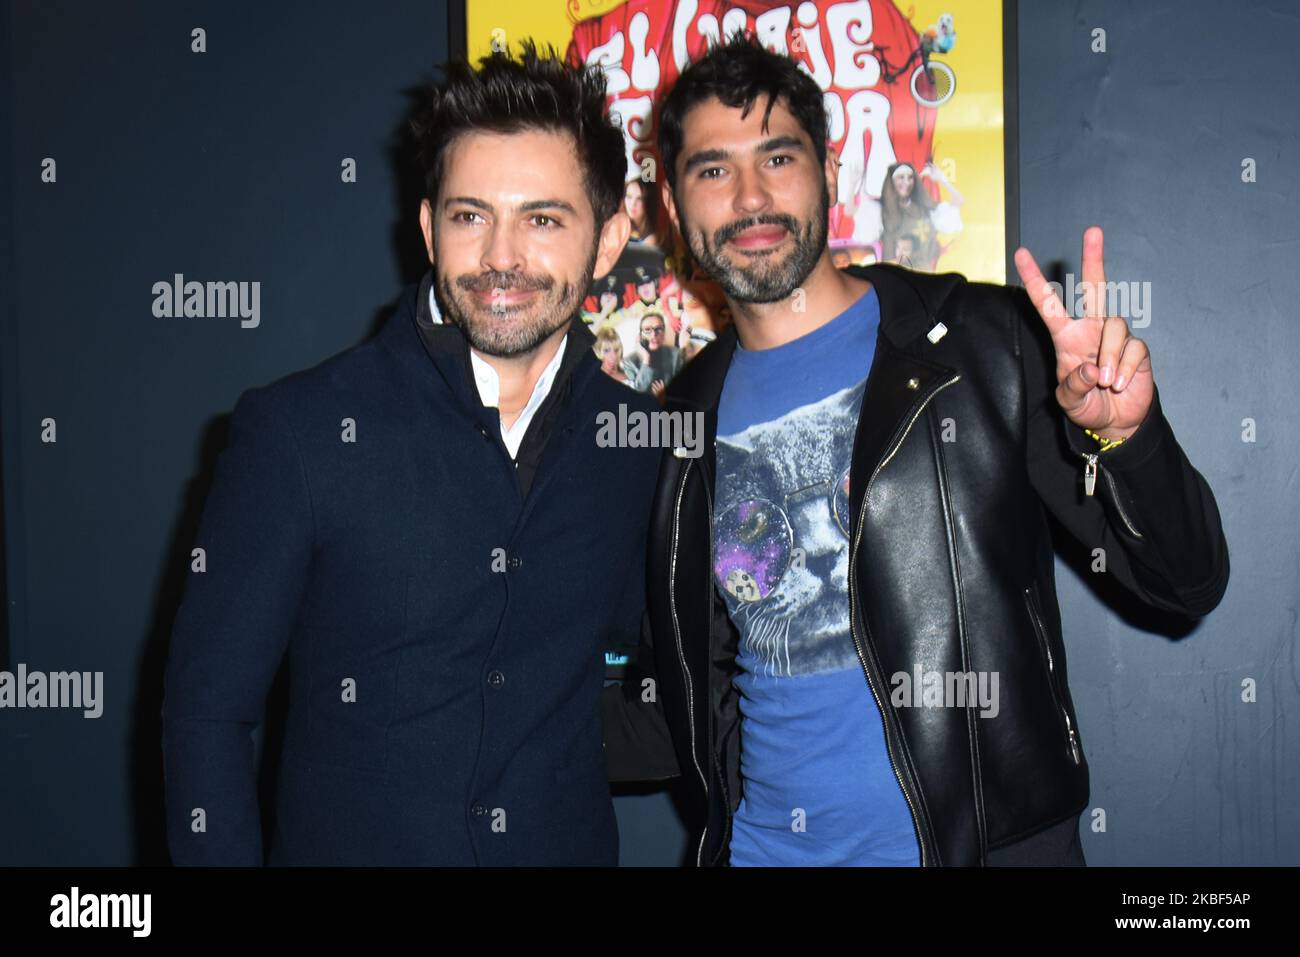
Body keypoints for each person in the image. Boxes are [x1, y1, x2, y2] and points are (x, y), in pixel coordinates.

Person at [603, 32, 1228, 866]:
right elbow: (682, 692)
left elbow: (1186, 581)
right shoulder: (680, 419)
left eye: (778, 157)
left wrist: (1124, 435)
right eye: (713, 170)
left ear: (830, 174)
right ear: (675, 210)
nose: (751, 197)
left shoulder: (981, 347)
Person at [162, 41, 667, 866]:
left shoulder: (640, 446)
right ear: (431, 227)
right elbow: (206, 715)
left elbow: (692, 678)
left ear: (608, 239)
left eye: (542, 219)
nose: (502, 257)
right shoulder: (299, 431)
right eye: (472, 215)